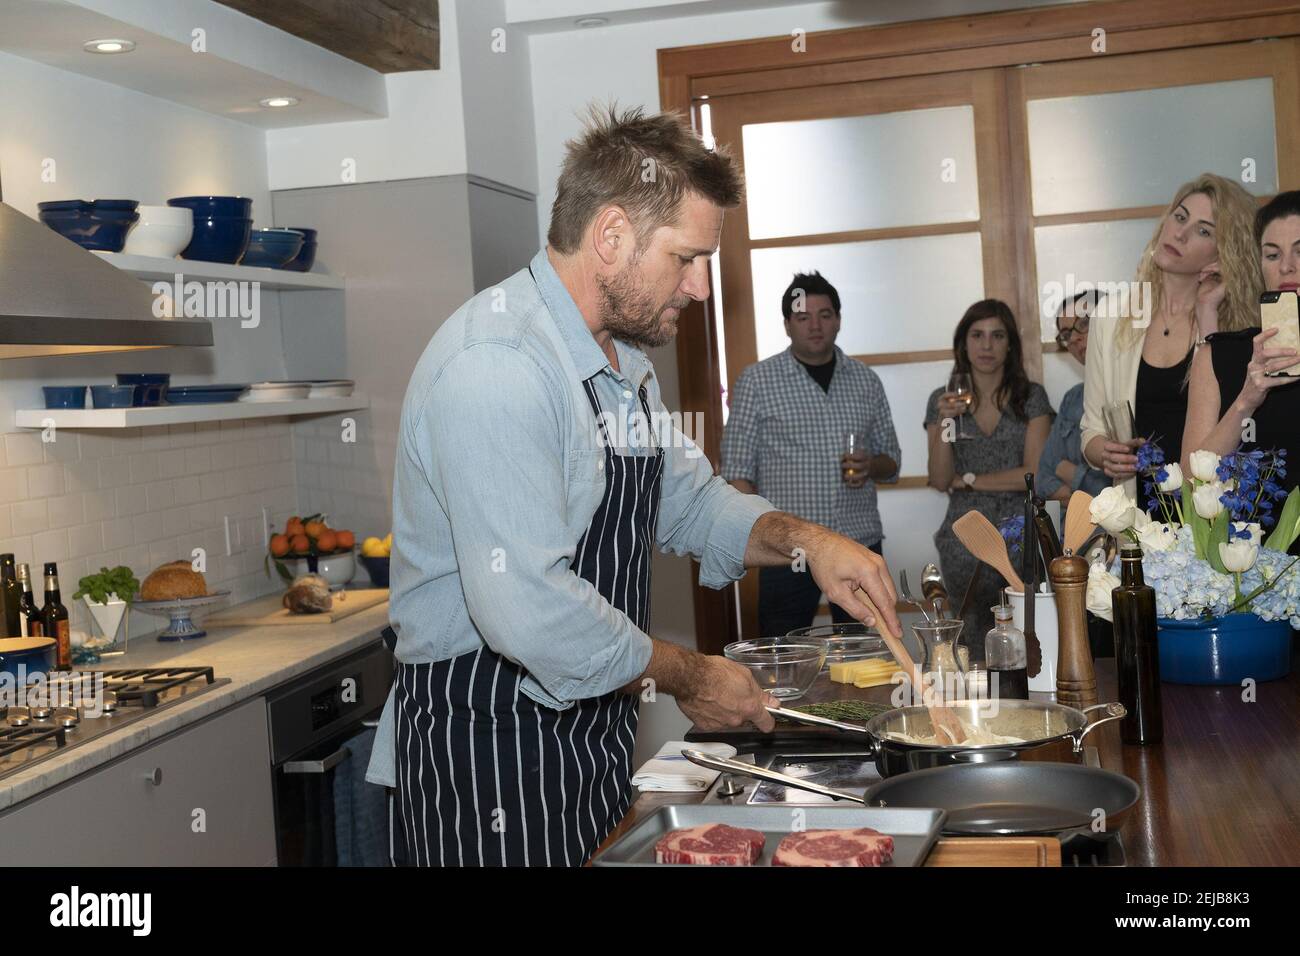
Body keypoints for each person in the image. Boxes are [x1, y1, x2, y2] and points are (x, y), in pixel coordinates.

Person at [364, 105, 901, 867]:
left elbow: (693, 503)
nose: (700, 287)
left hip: (592, 736)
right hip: (487, 750)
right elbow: (529, 611)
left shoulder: (622, 364)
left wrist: (807, 542)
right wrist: (691, 675)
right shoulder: (497, 366)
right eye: (686, 258)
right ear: (612, 236)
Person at [721, 271, 901, 636]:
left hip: (857, 540)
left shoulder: (866, 380)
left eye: (825, 315)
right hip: (789, 548)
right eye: (803, 317)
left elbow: (892, 462)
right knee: (784, 651)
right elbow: (737, 472)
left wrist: (871, 464)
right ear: (787, 325)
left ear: (839, 320)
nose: (815, 326)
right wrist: (757, 533)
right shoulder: (757, 381)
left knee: (862, 650)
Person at [1080, 174, 1261, 494]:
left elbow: (1235, 425)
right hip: (1134, 512)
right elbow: (1091, 429)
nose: (1180, 233)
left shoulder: (1239, 326)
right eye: (1180, 217)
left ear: (1225, 251)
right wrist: (1104, 453)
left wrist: (1208, 312)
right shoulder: (1110, 316)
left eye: (1203, 230)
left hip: (1212, 509)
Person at [925, 299, 1052, 647]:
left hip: (1021, 530)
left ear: (1010, 344)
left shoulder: (1031, 397)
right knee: (969, 635)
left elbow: (1035, 476)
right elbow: (940, 478)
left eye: (997, 336)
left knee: (1028, 631)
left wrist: (969, 480)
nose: (986, 345)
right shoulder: (944, 400)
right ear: (963, 344)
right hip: (963, 533)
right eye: (977, 335)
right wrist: (944, 420)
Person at [1182, 190, 1300, 553]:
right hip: (1246, 569)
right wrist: (1245, 401)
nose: (1287, 267)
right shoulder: (1219, 355)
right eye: (1272, 254)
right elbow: (1191, 483)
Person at [1036, 290, 1110, 502]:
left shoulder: (1139, 391)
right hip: (1070, 522)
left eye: (1084, 323)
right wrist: (1091, 497)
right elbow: (1043, 481)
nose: (1075, 337)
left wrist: (1073, 475)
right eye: (1067, 334)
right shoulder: (1073, 398)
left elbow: (1129, 488)